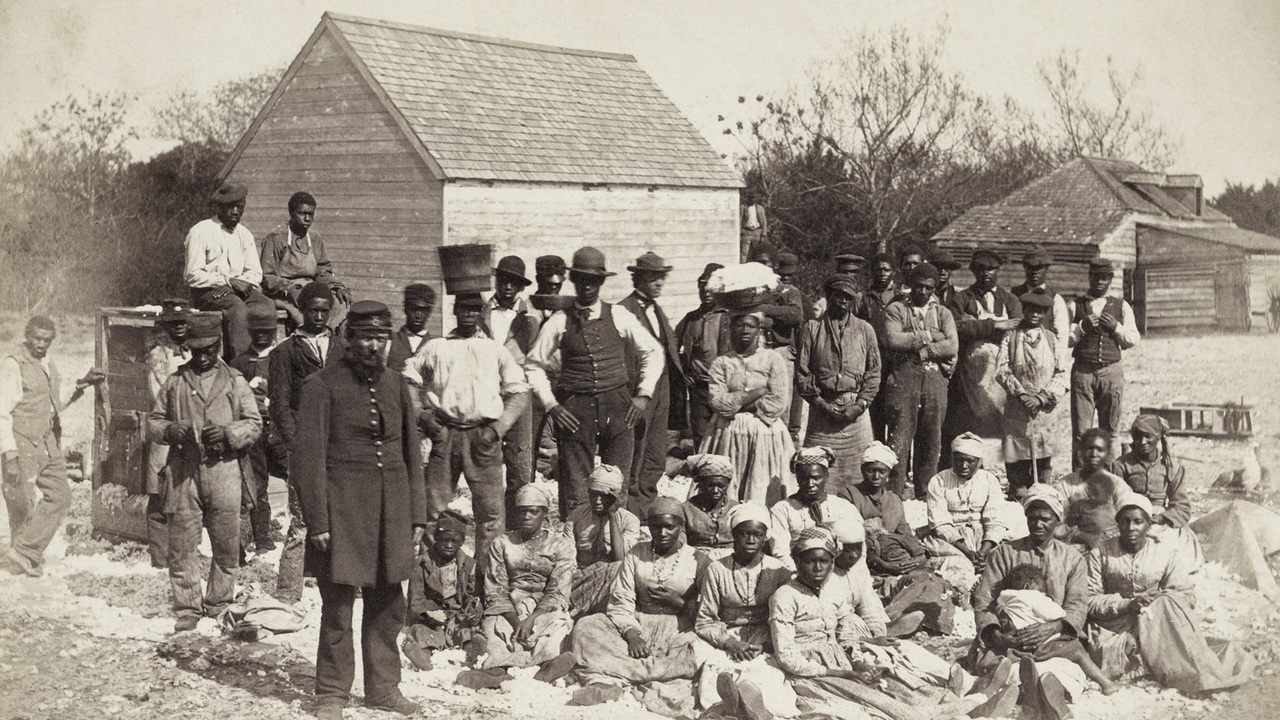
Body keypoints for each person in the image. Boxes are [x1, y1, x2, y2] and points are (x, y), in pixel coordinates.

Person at [292, 300, 426, 719]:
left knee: (389, 604)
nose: (374, 346)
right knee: (338, 605)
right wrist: (318, 519)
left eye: (382, 338)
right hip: (343, 512)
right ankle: (331, 693)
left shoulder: (396, 385)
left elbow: (410, 454)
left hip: (391, 511)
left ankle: (384, 688)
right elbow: (307, 458)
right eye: (366, 337)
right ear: (348, 339)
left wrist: (416, 515)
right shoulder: (321, 385)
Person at [769, 527, 978, 720]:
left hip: (842, 663)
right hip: (811, 673)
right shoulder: (785, 597)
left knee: (898, 686)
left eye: (824, 561)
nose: (817, 568)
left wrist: (858, 662)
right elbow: (787, 657)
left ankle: (963, 707)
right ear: (797, 561)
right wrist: (842, 673)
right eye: (810, 561)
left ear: (832, 563)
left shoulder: (832, 592)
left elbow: (846, 636)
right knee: (873, 706)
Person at [524, 246, 663, 517]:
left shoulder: (619, 316)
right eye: (581, 280)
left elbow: (653, 351)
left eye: (593, 280)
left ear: (601, 282)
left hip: (618, 407)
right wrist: (552, 405)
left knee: (616, 484)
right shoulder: (560, 320)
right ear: (573, 281)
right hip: (576, 411)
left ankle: (615, 545)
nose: (587, 286)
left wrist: (643, 395)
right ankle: (577, 548)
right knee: (576, 486)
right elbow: (532, 365)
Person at [404, 291, 531, 587]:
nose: (469, 315)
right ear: (455, 310)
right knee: (433, 511)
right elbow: (407, 379)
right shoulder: (436, 347)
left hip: (482, 439)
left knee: (490, 515)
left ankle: (486, 582)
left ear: (481, 313)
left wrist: (496, 429)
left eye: (475, 309)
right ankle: (431, 579)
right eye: (464, 308)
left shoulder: (495, 350)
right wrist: (424, 417)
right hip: (445, 435)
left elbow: (520, 390)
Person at [147, 313, 261, 630]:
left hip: (226, 471)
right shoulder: (175, 382)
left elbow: (255, 424)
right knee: (183, 544)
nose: (203, 356)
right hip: (184, 473)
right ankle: (187, 608)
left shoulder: (235, 381)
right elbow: (153, 423)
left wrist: (228, 433)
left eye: (209, 349)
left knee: (226, 544)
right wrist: (171, 430)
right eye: (197, 350)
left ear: (218, 345)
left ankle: (219, 602)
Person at [1086, 495, 1252, 693]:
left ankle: (1197, 677)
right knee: (1122, 649)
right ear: (1118, 524)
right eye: (1125, 521)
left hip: (1157, 622)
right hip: (1114, 624)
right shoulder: (1100, 553)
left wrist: (1158, 602)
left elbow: (1186, 595)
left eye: (1138, 521)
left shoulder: (1164, 553)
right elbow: (1089, 599)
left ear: (1149, 524)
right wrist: (1127, 604)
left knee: (1176, 637)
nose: (1131, 527)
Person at [571, 497, 707, 708]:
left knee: (699, 649)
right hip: (637, 622)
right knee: (586, 627)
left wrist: (679, 603)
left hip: (679, 627)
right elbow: (621, 598)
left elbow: (709, 610)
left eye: (669, 527)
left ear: (681, 526)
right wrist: (632, 635)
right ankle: (644, 673)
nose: (662, 533)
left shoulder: (698, 559)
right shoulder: (636, 552)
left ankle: (613, 675)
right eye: (655, 527)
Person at [969, 485, 1090, 720]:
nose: (1038, 524)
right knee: (1003, 668)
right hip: (1009, 642)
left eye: (1045, 519)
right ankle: (1037, 697)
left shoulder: (1073, 559)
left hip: (1055, 642)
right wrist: (997, 636)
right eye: (1032, 518)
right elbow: (984, 601)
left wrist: (1053, 627)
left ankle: (1046, 694)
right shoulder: (1004, 553)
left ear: (1058, 520)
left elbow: (1077, 606)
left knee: (1065, 670)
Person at [1, 317, 104, 577]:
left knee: (60, 495)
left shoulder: (48, 363)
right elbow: (2, 412)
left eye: (46, 340)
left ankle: (23, 550)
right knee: (22, 502)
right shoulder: (14, 364)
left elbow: (53, 402)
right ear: (27, 336)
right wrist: (10, 453)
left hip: (46, 439)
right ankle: (21, 559)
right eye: (36, 338)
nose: (40, 344)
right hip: (20, 439)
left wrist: (82, 383)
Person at [268, 281, 341, 603]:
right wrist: (296, 446)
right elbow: (280, 404)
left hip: (339, 444)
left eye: (325, 311)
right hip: (305, 445)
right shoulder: (285, 351)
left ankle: (341, 582)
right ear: (303, 311)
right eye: (314, 310)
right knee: (300, 520)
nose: (320, 317)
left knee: (339, 514)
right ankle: (287, 590)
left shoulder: (341, 347)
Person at [695, 502, 798, 718]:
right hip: (728, 635)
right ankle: (728, 706)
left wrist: (765, 645)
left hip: (767, 637)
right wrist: (729, 643)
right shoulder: (717, 569)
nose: (751, 540)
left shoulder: (778, 570)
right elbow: (705, 620)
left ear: (765, 537)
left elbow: (790, 617)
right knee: (717, 670)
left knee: (767, 674)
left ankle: (755, 709)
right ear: (733, 534)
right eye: (744, 533)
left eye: (757, 534)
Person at [796, 274, 881, 495]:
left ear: (854, 300)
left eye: (847, 297)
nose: (842, 301)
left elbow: (874, 372)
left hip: (855, 414)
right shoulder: (812, 329)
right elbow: (802, 374)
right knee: (815, 471)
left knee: (860, 476)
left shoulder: (865, 330)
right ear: (828, 296)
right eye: (837, 295)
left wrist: (860, 405)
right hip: (822, 413)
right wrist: (821, 404)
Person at [481, 484, 577, 679]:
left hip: (544, 607)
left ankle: (547, 666)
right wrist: (517, 621)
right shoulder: (502, 543)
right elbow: (496, 588)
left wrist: (531, 619)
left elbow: (558, 589)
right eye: (522, 511)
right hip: (510, 607)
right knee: (493, 628)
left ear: (544, 514)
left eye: (533, 512)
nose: (526, 516)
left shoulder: (561, 545)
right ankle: (497, 671)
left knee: (557, 626)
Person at [618, 252, 687, 517]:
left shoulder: (658, 310)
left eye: (662, 278)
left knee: (657, 453)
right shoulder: (624, 310)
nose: (659, 283)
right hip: (639, 390)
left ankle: (646, 507)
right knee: (636, 449)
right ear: (638, 278)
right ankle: (628, 511)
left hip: (663, 389)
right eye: (652, 278)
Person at [701, 309, 794, 505]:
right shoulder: (722, 362)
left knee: (761, 486)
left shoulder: (772, 359)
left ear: (758, 331)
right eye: (739, 325)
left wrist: (737, 403)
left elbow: (777, 402)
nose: (745, 330)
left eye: (751, 326)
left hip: (764, 433)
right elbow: (718, 403)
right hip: (727, 432)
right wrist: (757, 393)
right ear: (731, 328)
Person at [880, 263, 957, 498]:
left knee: (932, 438)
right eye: (919, 286)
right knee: (900, 438)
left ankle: (925, 492)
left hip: (934, 381)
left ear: (935, 288)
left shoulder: (943, 313)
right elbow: (893, 339)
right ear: (911, 285)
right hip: (904, 378)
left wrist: (923, 351)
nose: (923, 292)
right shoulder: (896, 309)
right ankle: (894, 492)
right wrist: (930, 336)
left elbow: (952, 345)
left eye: (929, 287)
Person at [941, 250, 1021, 462]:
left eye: (991, 269)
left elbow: (1016, 328)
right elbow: (958, 327)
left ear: (998, 270)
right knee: (972, 422)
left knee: (1000, 419)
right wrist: (995, 325)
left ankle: (999, 470)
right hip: (970, 373)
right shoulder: (962, 298)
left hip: (1000, 368)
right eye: (981, 269)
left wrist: (975, 324)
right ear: (974, 271)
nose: (986, 273)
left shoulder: (1009, 300)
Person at [184, 181, 275, 359]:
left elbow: (255, 272)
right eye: (230, 207)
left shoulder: (244, 234)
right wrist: (228, 281)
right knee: (237, 308)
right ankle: (241, 362)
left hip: (239, 290)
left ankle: (264, 358)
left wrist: (239, 284)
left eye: (239, 207)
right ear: (219, 206)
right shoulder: (200, 231)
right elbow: (192, 275)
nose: (235, 212)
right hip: (208, 293)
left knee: (266, 305)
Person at [996, 564, 1119, 695]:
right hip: (1042, 645)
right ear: (1027, 586)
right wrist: (1049, 601)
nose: (1043, 592)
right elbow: (1058, 613)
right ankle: (1106, 684)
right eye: (1041, 589)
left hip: (1020, 648)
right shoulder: (1031, 596)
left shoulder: (1004, 601)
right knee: (1076, 650)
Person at [995, 290, 1068, 498]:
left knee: (1043, 450)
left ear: (1044, 313)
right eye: (1030, 310)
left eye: (1039, 311)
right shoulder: (1010, 336)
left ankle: (1043, 489)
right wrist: (1020, 394)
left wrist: (1041, 398)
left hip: (1044, 407)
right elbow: (1002, 369)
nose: (1034, 314)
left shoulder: (1052, 339)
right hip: (1017, 404)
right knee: (1016, 446)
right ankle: (1018, 490)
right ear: (1024, 310)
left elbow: (1061, 372)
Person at [229, 302, 286, 556]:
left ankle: (302, 533)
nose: (262, 335)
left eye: (267, 330)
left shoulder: (283, 357)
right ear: (250, 332)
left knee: (295, 476)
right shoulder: (240, 363)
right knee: (257, 484)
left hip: (281, 430)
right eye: (257, 331)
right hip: (254, 433)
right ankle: (262, 539)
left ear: (274, 331)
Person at [1069, 257, 1139, 460]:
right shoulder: (1075, 306)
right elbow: (1062, 339)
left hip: (1111, 371)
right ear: (1089, 278)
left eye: (1104, 278)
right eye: (1096, 277)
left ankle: (1109, 478)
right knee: (1081, 433)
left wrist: (1116, 327)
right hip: (1083, 372)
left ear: (1110, 280)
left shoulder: (1122, 306)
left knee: (1110, 431)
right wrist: (1082, 328)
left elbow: (1133, 339)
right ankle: (1080, 481)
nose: (1100, 282)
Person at [144, 299, 197, 568]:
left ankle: (182, 553)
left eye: (183, 322)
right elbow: (163, 395)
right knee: (159, 493)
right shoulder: (159, 354)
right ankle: (160, 557)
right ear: (166, 324)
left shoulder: (195, 350)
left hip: (191, 432)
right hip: (167, 429)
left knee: (186, 492)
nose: (179, 327)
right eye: (173, 323)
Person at [1109, 415, 1202, 567]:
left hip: (1160, 522)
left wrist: (1161, 518)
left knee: (1171, 550)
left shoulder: (1172, 467)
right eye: (1138, 437)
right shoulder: (1121, 465)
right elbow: (1113, 501)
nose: (1142, 442)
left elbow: (1182, 507)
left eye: (1148, 437)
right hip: (1129, 519)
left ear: (1158, 438)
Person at [483, 256, 541, 501]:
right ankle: (492, 517)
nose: (508, 287)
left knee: (519, 456)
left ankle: (518, 515)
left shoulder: (531, 316)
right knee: (488, 452)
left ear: (521, 286)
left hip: (518, 392)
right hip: (487, 390)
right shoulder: (482, 312)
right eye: (504, 281)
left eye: (514, 283)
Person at [924, 433, 1009, 589]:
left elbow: (995, 520)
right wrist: (966, 551)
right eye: (959, 460)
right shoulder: (938, 481)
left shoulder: (989, 480)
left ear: (979, 462)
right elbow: (940, 523)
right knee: (956, 562)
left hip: (983, 537)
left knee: (1001, 558)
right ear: (952, 458)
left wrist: (983, 551)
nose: (963, 466)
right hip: (951, 539)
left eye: (970, 461)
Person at [259, 191, 351, 330]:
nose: (307, 218)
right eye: (302, 213)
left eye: (311, 214)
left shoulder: (315, 239)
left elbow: (323, 272)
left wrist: (337, 287)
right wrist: (290, 289)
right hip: (284, 294)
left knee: (341, 303)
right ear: (291, 213)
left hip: (311, 290)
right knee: (308, 317)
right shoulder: (276, 237)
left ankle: (327, 337)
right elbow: (267, 276)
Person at [402, 510, 481, 672]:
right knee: (423, 633)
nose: (449, 545)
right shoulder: (421, 564)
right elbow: (415, 602)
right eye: (445, 540)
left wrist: (472, 611)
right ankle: (422, 657)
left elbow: (472, 597)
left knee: (467, 633)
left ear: (462, 542)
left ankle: (473, 652)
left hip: (458, 617)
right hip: (431, 618)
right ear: (436, 538)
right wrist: (429, 615)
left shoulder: (469, 565)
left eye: (455, 541)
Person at [767, 447, 865, 571]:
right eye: (804, 478)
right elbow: (780, 553)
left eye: (816, 478)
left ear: (826, 476)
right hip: (798, 574)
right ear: (797, 478)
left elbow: (859, 549)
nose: (810, 484)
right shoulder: (782, 510)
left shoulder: (844, 507)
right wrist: (802, 577)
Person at [567, 464, 641, 618]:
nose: (597, 501)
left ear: (616, 497)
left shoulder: (629, 521)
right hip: (579, 578)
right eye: (593, 494)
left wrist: (612, 516)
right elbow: (567, 554)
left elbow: (620, 558)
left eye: (604, 496)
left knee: (618, 569)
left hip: (610, 582)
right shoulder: (577, 516)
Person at [845, 442, 926, 577]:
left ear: (888, 473)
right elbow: (849, 536)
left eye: (882, 471)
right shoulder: (849, 494)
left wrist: (919, 558)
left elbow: (904, 533)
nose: (876, 476)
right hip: (861, 555)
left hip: (892, 554)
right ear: (862, 470)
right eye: (871, 470)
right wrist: (884, 566)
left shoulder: (894, 500)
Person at [1051, 428, 1134, 551]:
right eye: (1089, 448)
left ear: (1107, 453)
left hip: (1112, 548)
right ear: (1080, 452)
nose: (1094, 454)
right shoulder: (1065, 485)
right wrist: (1082, 536)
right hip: (1074, 547)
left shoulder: (1117, 485)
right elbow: (1055, 524)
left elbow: (1129, 518)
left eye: (1100, 450)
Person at [674, 262, 729, 445]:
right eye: (702, 286)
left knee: (724, 435)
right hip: (698, 389)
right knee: (700, 435)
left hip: (724, 387)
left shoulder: (730, 317)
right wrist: (684, 372)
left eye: (711, 287)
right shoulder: (691, 319)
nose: (706, 291)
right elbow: (671, 345)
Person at [776, 252, 813, 441]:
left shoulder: (801, 297)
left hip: (799, 351)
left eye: (789, 274)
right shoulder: (772, 295)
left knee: (797, 396)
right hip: (781, 351)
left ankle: (793, 437)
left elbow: (807, 320)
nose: (785, 277)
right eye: (782, 273)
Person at [681, 453, 741, 557]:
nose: (716, 491)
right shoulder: (686, 509)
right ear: (700, 484)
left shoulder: (737, 509)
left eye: (721, 486)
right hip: (695, 559)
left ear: (728, 485)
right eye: (710, 485)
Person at [1010, 249, 1069, 338]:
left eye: (1039, 267)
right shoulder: (1013, 295)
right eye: (1031, 267)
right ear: (1025, 267)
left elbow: (1062, 335)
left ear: (1046, 268)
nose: (1035, 272)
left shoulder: (1055, 299)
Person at [386, 283, 437, 373]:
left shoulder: (434, 347)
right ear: (405, 308)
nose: (418, 315)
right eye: (414, 309)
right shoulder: (390, 340)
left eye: (423, 311)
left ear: (429, 313)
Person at [740, 196, 768, 263]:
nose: (752, 200)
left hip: (757, 232)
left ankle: (755, 267)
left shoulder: (760, 208)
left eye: (754, 198)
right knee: (744, 253)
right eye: (750, 198)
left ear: (756, 199)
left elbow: (764, 221)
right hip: (747, 232)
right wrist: (740, 232)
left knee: (757, 253)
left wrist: (763, 235)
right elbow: (740, 219)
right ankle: (742, 267)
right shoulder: (743, 207)